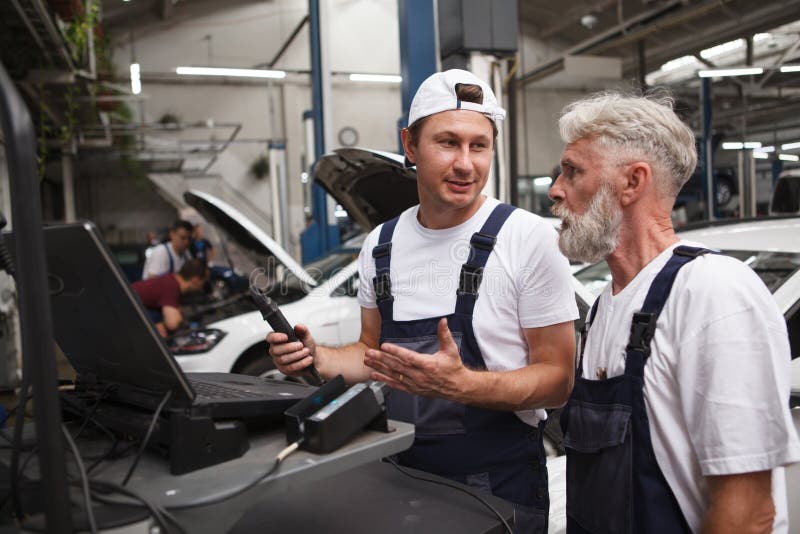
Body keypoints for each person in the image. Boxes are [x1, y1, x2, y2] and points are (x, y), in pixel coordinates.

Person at [268, 69, 578, 532]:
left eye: (479, 146)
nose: (465, 164)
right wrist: (317, 356)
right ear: (410, 146)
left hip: (498, 485)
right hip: (399, 474)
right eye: (447, 143)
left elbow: (558, 380)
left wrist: (462, 386)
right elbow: (372, 356)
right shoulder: (381, 245)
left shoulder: (529, 239)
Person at [549, 91, 800, 533]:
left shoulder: (711, 293)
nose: (556, 189)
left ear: (632, 182)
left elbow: (748, 512)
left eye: (573, 172)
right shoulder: (605, 307)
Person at [132, 258, 208, 337]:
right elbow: (172, 323)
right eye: (203, 282)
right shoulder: (171, 286)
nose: (202, 288)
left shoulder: (171, 280)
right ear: (195, 280)